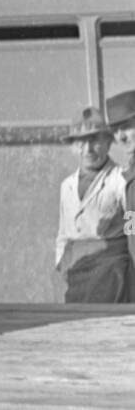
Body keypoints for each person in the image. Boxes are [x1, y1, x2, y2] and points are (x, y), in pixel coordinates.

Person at [55, 106, 134, 304]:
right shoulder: (67, 186)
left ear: (108, 142)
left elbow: (132, 228)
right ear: (74, 146)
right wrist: (62, 263)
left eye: (94, 141)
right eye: (80, 142)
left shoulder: (122, 180)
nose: (88, 150)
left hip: (112, 276)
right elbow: (63, 233)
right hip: (76, 276)